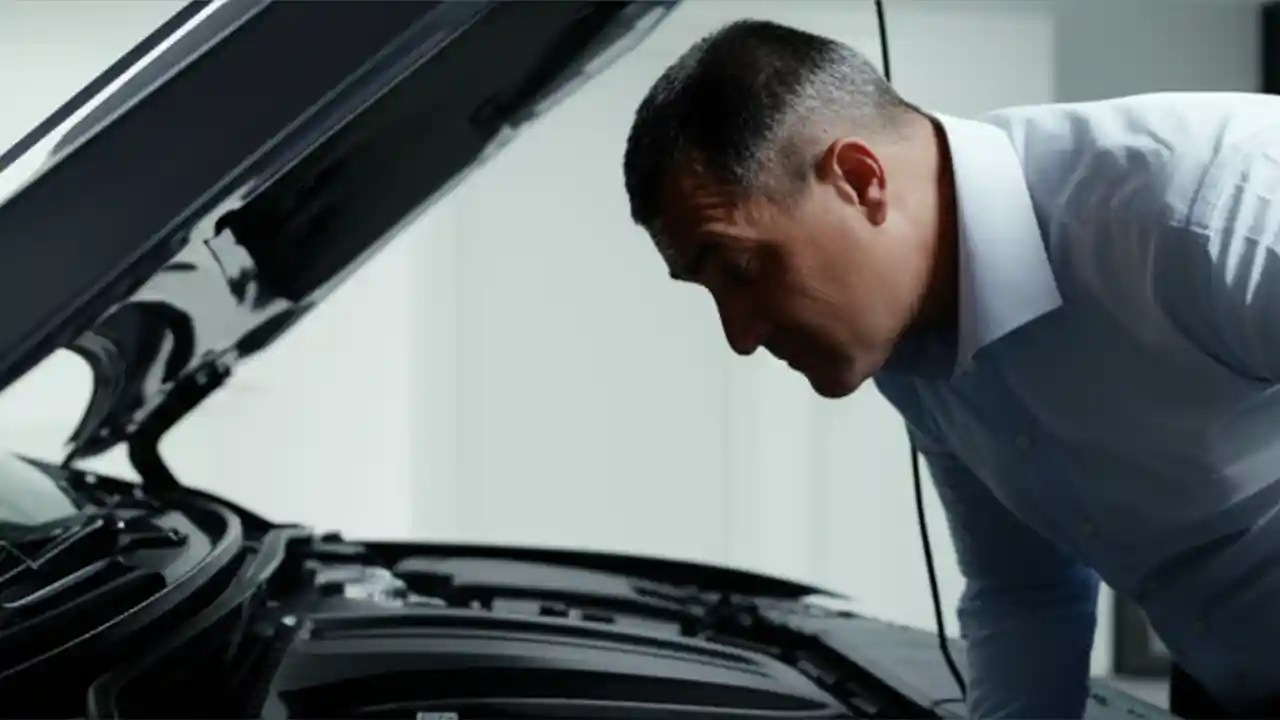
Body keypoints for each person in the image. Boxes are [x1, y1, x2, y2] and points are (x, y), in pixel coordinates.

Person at [620, 18, 1280, 720]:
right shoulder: (914, 350)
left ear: (858, 179)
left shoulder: (1213, 202)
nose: (741, 334)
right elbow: (1025, 593)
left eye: (744, 269)